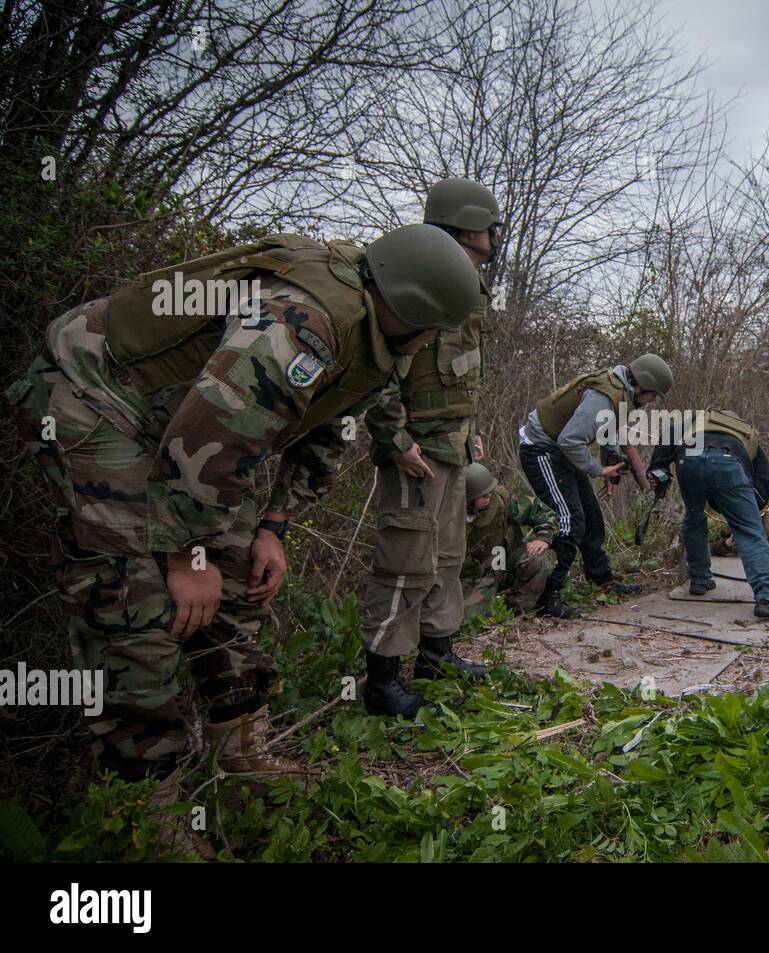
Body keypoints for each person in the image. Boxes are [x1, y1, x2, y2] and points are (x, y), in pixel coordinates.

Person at [6, 224, 479, 854]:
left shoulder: (378, 333)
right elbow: (210, 429)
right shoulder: (300, 324)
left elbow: (321, 430)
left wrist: (274, 526)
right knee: (132, 603)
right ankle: (144, 810)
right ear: (418, 317)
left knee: (241, 581)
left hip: (194, 428)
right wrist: (185, 555)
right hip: (100, 397)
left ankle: (240, 757)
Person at [359, 178, 503, 716]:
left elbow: (460, 374)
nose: (496, 234)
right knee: (403, 560)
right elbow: (383, 362)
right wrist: (394, 438)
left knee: (446, 555)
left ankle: (437, 654)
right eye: (491, 224)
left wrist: (470, 428)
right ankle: (382, 685)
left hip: (453, 448)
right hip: (415, 451)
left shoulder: (466, 282)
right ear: (469, 224)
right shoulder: (421, 272)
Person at [517, 354, 672, 618]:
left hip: (563, 452)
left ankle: (602, 579)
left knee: (591, 517)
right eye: (652, 396)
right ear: (641, 387)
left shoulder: (621, 391)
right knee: (569, 520)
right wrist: (596, 469)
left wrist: (608, 469)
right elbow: (570, 440)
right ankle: (547, 596)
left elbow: (608, 430)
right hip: (542, 450)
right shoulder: (605, 394)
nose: (651, 402)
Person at [648, 409, 769, 618]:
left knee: (694, 519)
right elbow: (766, 479)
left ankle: (699, 578)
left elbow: (666, 439)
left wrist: (658, 469)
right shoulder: (745, 432)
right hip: (728, 461)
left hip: (688, 462)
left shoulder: (695, 421)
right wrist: (749, 510)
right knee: (749, 530)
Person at [460, 463, 558, 618]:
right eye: (483, 495)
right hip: (469, 578)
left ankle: (517, 610)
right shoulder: (447, 517)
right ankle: (490, 605)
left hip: (501, 566)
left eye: (489, 492)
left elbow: (541, 511)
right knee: (465, 618)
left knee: (541, 559)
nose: (489, 496)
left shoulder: (500, 501)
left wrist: (544, 537)